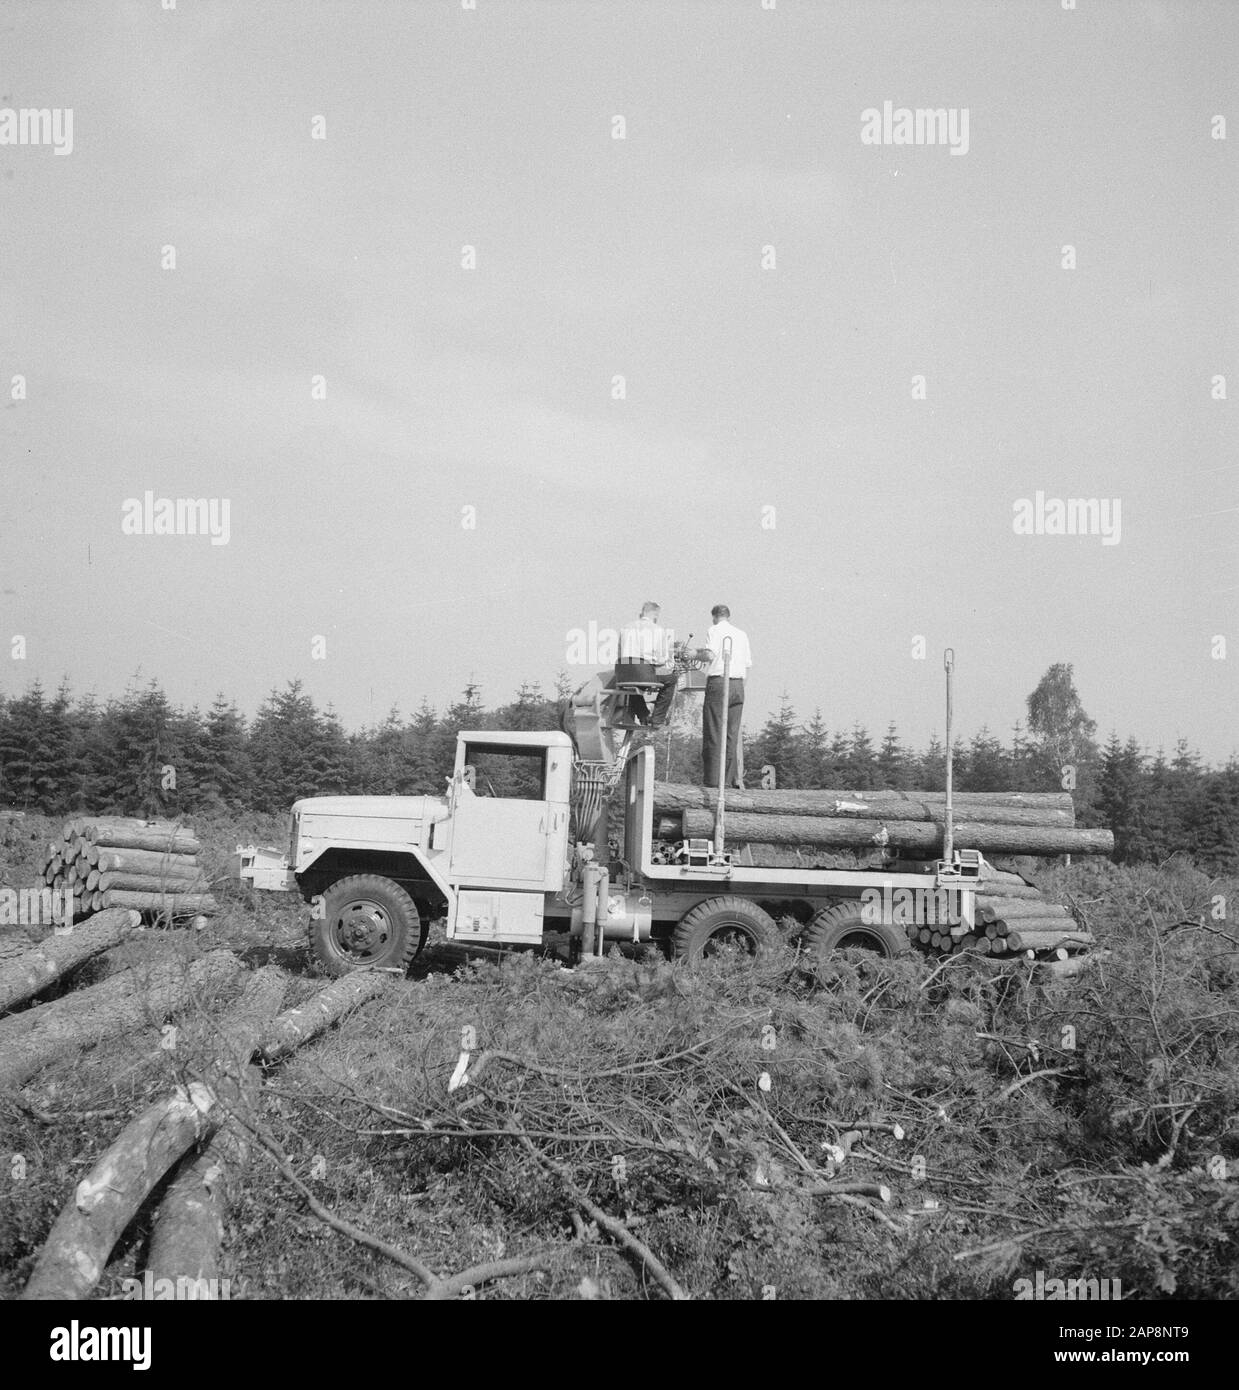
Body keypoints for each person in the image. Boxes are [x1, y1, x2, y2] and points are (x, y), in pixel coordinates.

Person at [701, 604, 751, 787]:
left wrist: (693, 655)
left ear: (714, 617)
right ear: (728, 616)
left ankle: (713, 782)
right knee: (732, 734)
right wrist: (739, 687)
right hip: (738, 684)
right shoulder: (742, 634)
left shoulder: (713, 630)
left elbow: (709, 655)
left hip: (720, 681)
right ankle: (728, 780)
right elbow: (747, 664)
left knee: (714, 732)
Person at [615, 602, 679, 727]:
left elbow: (619, 653)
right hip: (643, 673)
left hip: (623, 673)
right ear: (655, 615)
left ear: (642, 613)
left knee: (632, 685)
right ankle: (657, 719)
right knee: (671, 680)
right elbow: (661, 659)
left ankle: (643, 715)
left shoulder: (625, 628)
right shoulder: (657, 630)